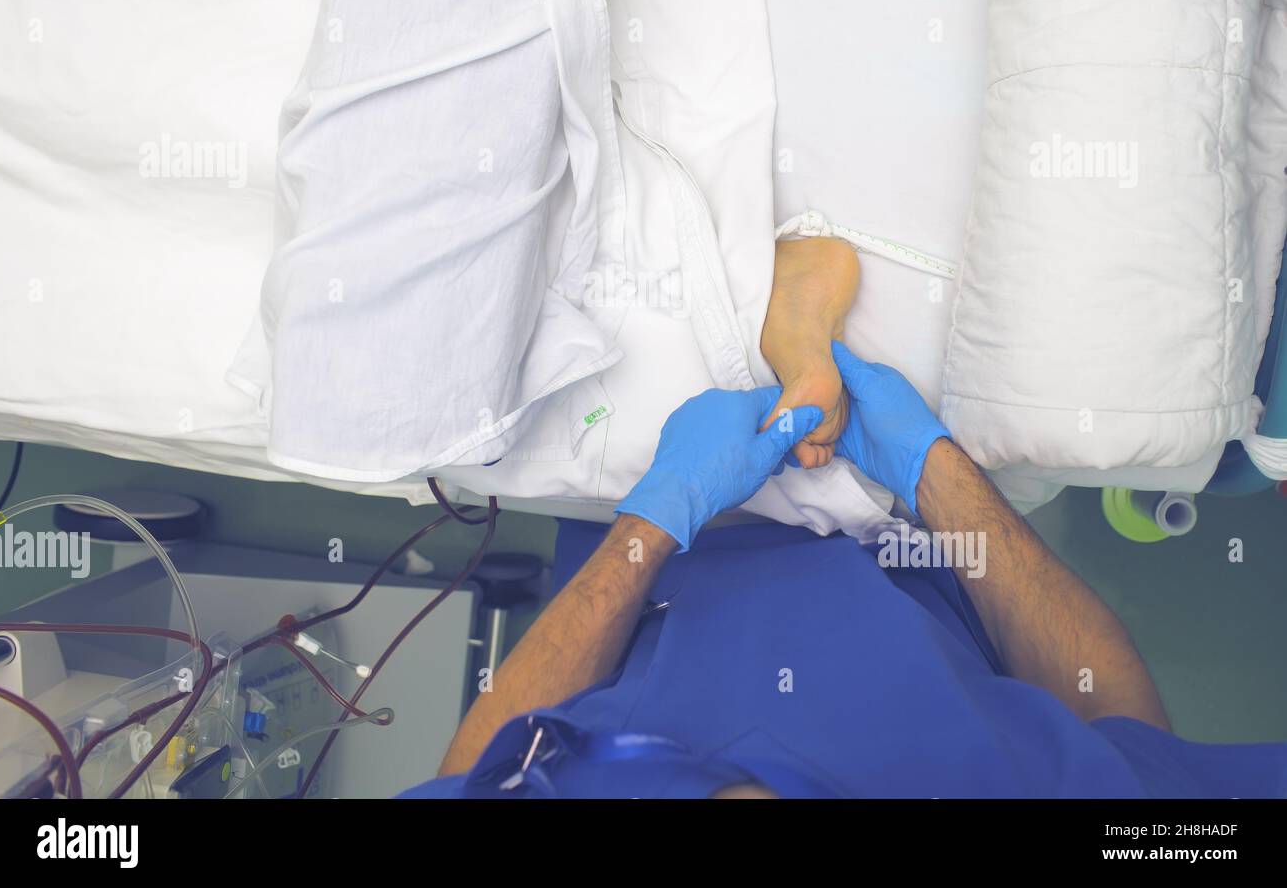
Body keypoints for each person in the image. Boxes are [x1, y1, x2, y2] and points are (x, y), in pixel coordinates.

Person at [401, 340, 1287, 798]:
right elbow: (1128, 743)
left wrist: (651, 522)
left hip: (639, 578)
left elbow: (477, 773)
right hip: (913, 552)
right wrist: (934, 475)